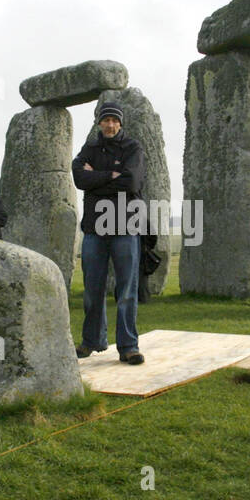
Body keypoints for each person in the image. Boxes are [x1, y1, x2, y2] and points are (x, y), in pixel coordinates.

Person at [72, 101, 146, 364]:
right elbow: (80, 178)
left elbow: (133, 181)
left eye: (115, 120)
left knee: (126, 288)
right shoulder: (89, 147)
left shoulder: (133, 148)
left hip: (125, 225)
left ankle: (128, 346)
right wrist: (113, 175)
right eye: (106, 120)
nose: (110, 124)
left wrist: (98, 178)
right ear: (99, 123)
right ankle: (92, 341)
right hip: (95, 227)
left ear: (121, 123)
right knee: (93, 288)